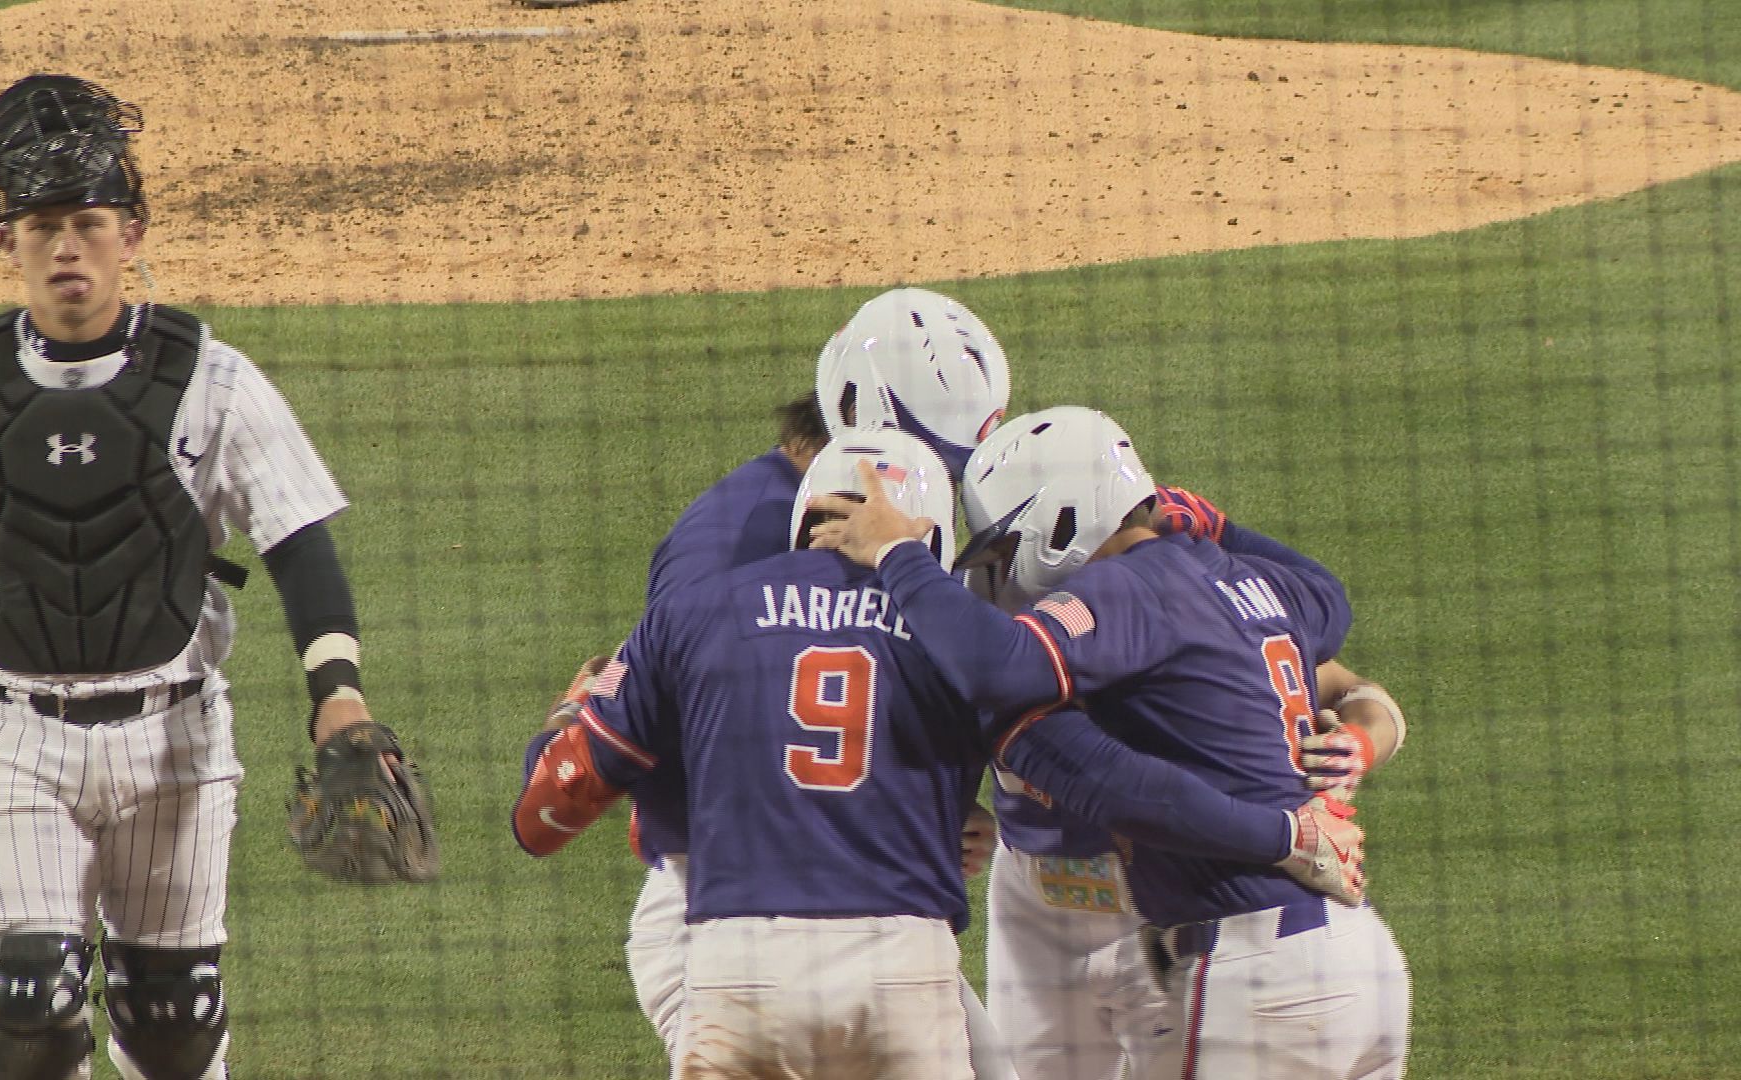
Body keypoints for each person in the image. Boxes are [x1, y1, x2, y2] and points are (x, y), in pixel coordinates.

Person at [0, 74, 420, 1080]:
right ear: (6, 240)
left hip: (179, 743)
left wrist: (339, 694)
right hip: (15, 738)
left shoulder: (213, 379)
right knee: (23, 1007)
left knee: (173, 1021)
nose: (67, 247)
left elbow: (299, 544)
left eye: (88, 222)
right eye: (42, 225)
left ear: (133, 232)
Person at [513, 431, 1365, 1079]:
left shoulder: (696, 612)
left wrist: (571, 714)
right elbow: (1106, 778)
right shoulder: (951, 639)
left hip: (736, 972)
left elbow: (548, 815)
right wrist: (1278, 831)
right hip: (900, 979)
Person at [809, 405, 1411, 1079]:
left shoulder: (1128, 590)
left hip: (1260, 976)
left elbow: (1012, 677)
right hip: (1362, 962)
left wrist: (899, 556)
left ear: (1058, 519)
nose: (1003, 570)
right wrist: (1216, 522)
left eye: (1007, 547)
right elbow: (1331, 600)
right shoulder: (1245, 580)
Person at [621, 286, 1018, 1075]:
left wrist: (940, 808)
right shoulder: (733, 541)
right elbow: (669, 744)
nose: (949, 485)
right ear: (859, 417)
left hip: (831, 919)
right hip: (718, 920)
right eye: (941, 457)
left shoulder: (850, 522)